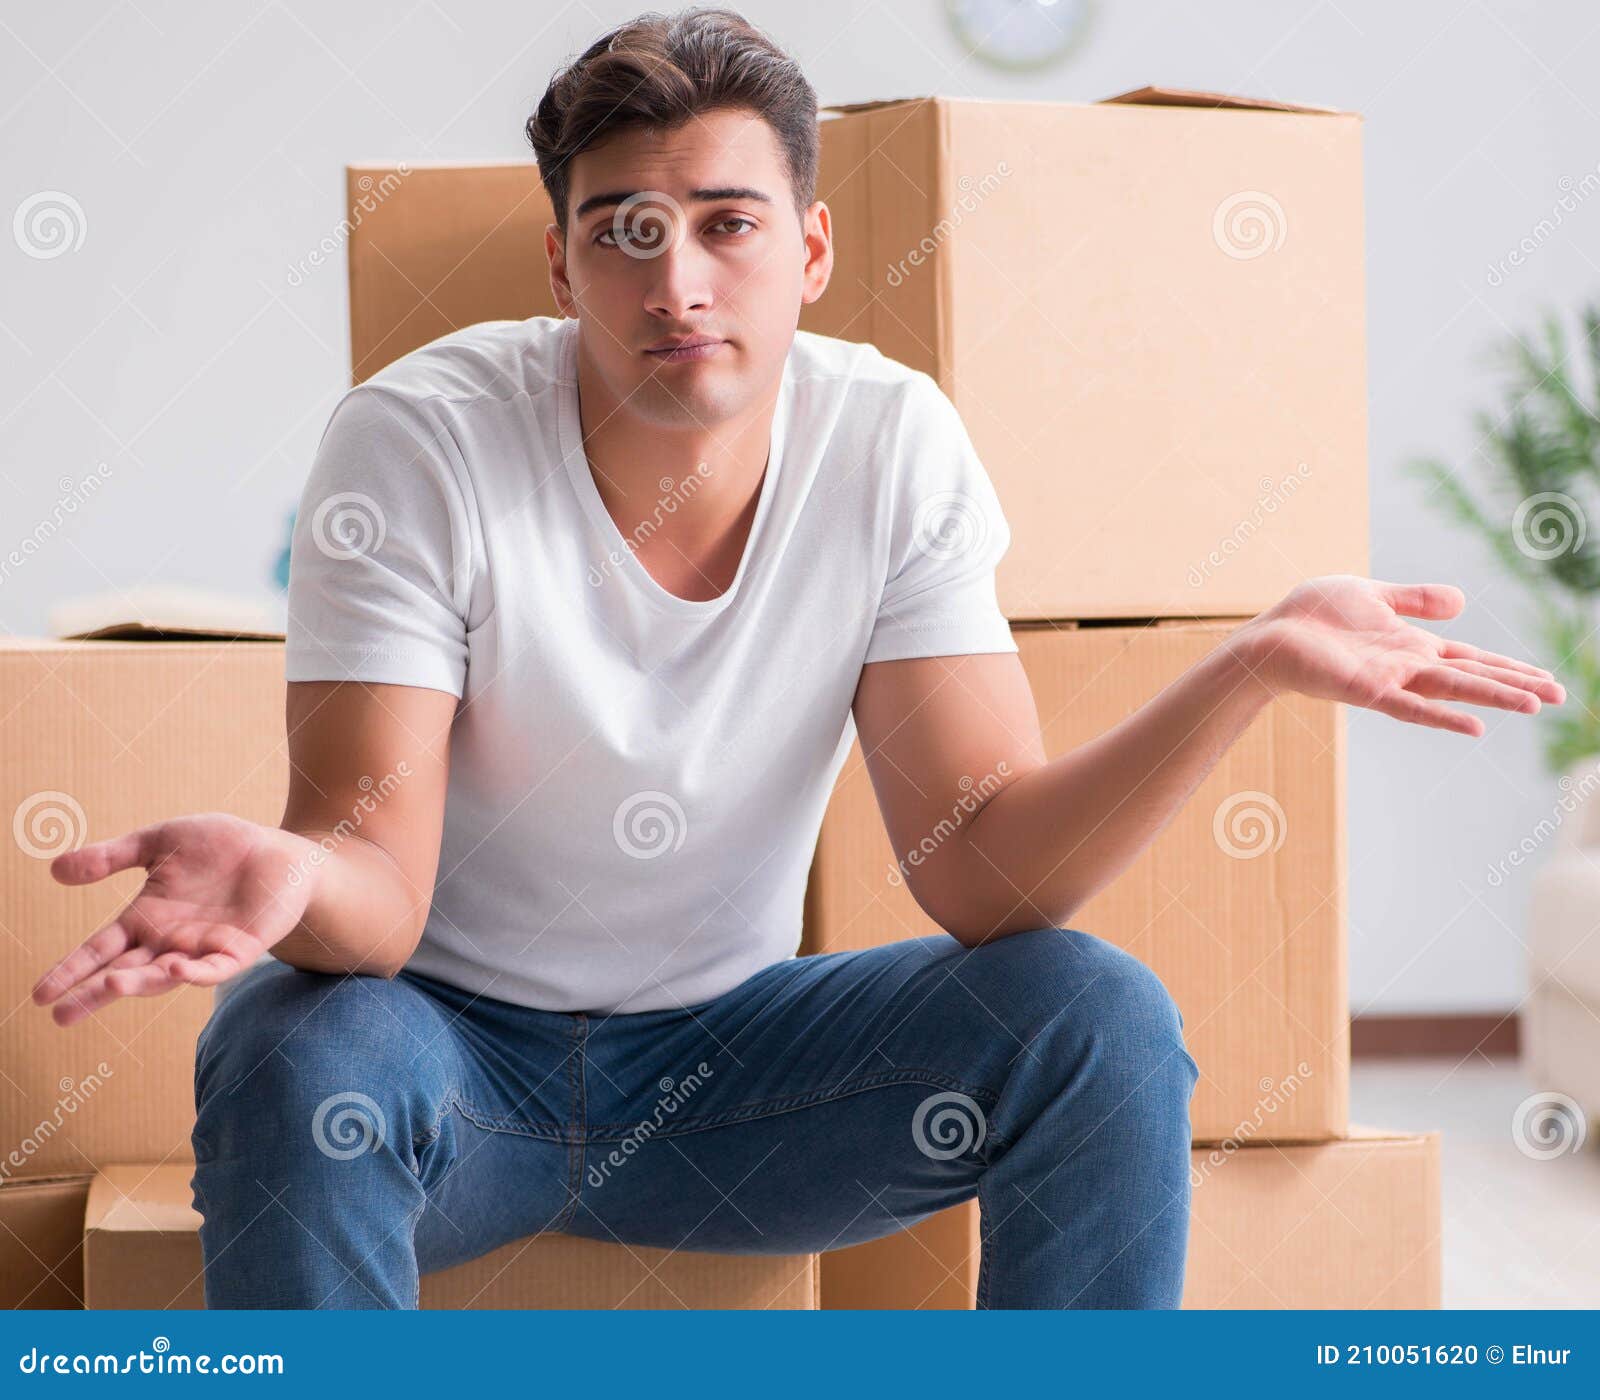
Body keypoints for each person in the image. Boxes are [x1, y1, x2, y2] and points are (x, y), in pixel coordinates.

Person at [30, 8, 1563, 1310]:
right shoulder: (418, 439)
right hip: (447, 1076)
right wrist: (299, 880)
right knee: (297, 1045)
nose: (676, 280)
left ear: (812, 248)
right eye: (622, 230)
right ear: (563, 269)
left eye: (725, 223)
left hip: (740, 1082)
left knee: (1092, 1014)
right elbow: (377, 884)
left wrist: (1245, 672)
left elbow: (979, 879)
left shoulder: (890, 442)